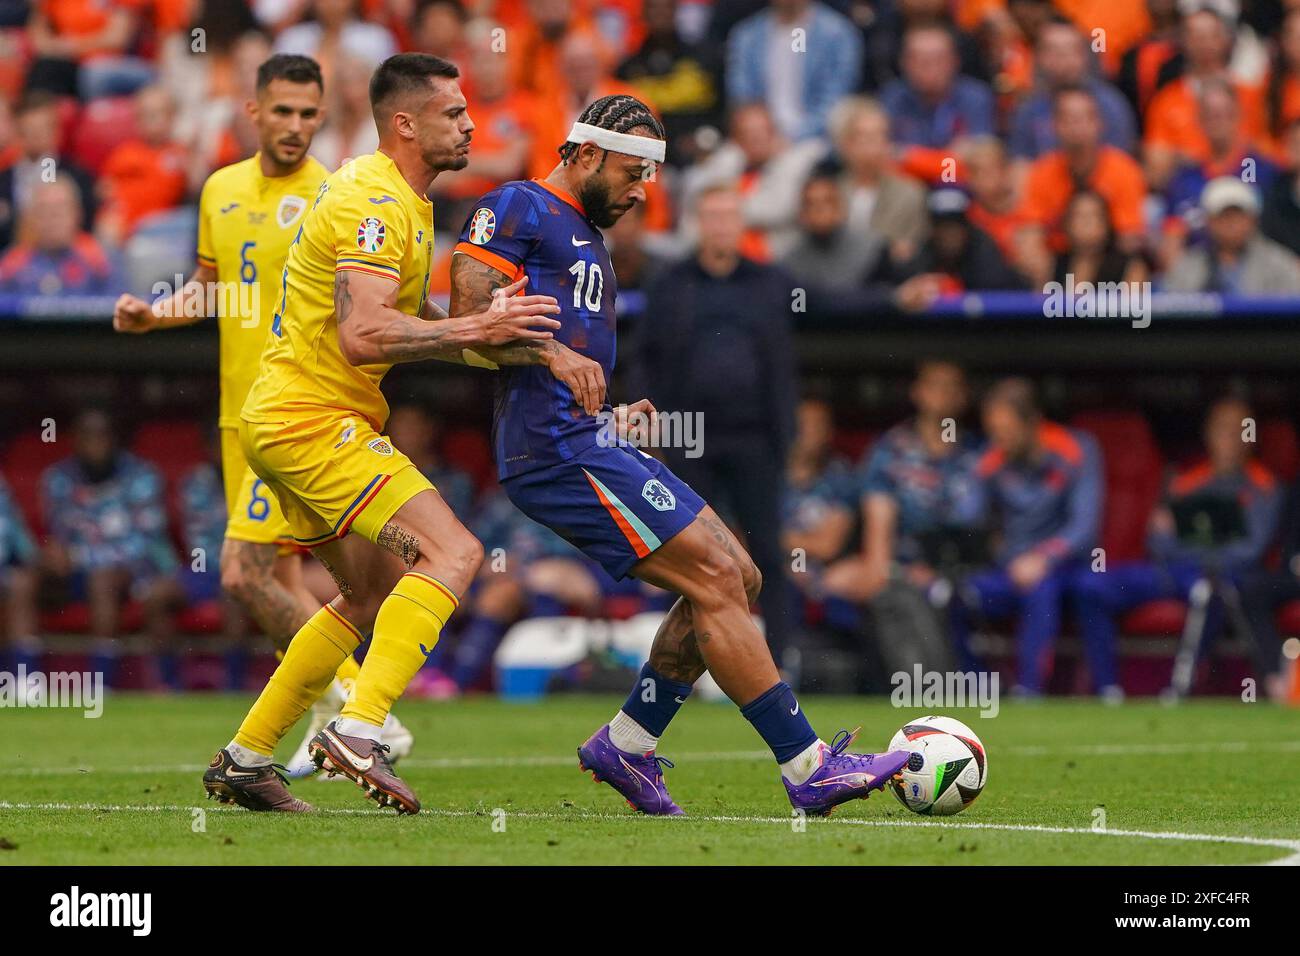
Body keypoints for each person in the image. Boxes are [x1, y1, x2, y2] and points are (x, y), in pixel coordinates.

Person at [452, 92, 909, 817]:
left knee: (741, 575)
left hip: (586, 436)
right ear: (587, 154)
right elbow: (465, 319)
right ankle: (808, 766)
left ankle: (627, 745)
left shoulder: (587, 234)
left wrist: (604, 410)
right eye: (633, 174)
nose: (642, 193)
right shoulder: (516, 206)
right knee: (717, 577)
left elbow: (554, 358)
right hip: (553, 450)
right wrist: (554, 356)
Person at [197, 52, 570, 815]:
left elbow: (413, 321)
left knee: (366, 595)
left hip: (292, 418)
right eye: (453, 113)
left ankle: (245, 758)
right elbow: (365, 333)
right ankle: (360, 729)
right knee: (454, 553)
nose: (470, 125)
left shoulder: (406, 199)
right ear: (405, 123)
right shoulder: (373, 197)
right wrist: (477, 328)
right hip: (311, 420)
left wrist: (519, 347)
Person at [112, 54, 415, 767]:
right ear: (253, 112)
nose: (295, 125)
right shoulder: (219, 189)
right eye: (282, 110)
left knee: (242, 574)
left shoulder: (338, 194)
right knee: (278, 581)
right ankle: (343, 717)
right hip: (237, 417)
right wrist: (156, 316)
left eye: (309, 114)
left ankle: (360, 711)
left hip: (297, 411)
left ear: (323, 117)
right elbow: (212, 286)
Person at [637, 183, 798, 668]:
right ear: (697, 224)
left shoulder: (770, 282)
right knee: (689, 552)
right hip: (688, 435)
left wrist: (897, 296)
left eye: (730, 216)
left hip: (755, 435)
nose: (722, 226)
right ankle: (684, 663)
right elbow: (645, 358)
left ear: (742, 224)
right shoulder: (670, 284)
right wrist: (651, 428)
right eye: (712, 216)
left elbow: (834, 301)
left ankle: (780, 660)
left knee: (767, 550)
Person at [1072, 397, 1281, 697]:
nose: (1231, 437)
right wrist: (1212, 538)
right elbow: (1158, 542)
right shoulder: (1185, 482)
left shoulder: (1265, 487)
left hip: (1220, 579)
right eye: (1222, 429)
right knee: (1091, 585)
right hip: (1170, 572)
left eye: (1240, 429)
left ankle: (1179, 689)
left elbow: (1249, 552)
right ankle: (1107, 690)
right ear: (1208, 433)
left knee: (1206, 592)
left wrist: (1186, 535)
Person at [953, 379, 1103, 696]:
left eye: (1007, 431)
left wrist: (1043, 558)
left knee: (1040, 587)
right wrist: (975, 476)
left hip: (1064, 567)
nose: (1000, 440)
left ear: (1033, 422)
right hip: (1009, 569)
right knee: (952, 594)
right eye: (994, 432)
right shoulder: (992, 458)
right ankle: (979, 689)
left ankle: (1029, 691)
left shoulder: (1077, 448)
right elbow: (967, 520)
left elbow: (1084, 527)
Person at [39, 409, 183, 689]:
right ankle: (24, 680)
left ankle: (103, 685)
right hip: (75, 576)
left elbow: (145, 542)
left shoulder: (141, 475)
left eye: (102, 435)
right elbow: (59, 535)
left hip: (138, 572)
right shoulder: (58, 478)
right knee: (24, 579)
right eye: (87, 436)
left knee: (103, 580)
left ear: (114, 438)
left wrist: (81, 556)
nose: (95, 443)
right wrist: (54, 554)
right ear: (75, 440)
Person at [725, 0, 863, 142]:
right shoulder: (747, 35)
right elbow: (743, 97)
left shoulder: (837, 33)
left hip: (817, 137)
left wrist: (794, 135)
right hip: (757, 137)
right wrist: (761, 134)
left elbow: (835, 101)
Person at [1163, 175, 1300, 294]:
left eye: (1237, 216)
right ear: (1209, 221)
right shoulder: (1189, 267)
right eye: (1223, 216)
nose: (1231, 224)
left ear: (1253, 220)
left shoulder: (1279, 264)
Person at [0, 179, 117, 295]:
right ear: (31, 218)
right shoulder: (12, 265)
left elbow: (117, 302)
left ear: (78, 214)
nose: (52, 218)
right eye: (44, 210)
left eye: (60, 209)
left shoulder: (100, 262)